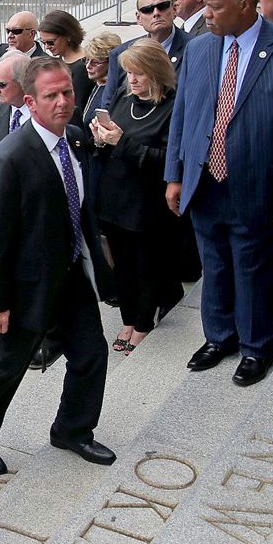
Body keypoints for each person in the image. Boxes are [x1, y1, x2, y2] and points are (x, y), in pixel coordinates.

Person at [0, 56, 116, 475]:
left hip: (69, 275)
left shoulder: (78, 140)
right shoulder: (9, 159)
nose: (63, 102)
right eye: (52, 96)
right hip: (25, 286)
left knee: (91, 352)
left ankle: (72, 429)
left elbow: (81, 210)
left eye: (67, 92)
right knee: (8, 366)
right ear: (30, 102)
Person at [164, 0, 273, 387]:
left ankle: (257, 346)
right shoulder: (200, 49)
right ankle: (219, 337)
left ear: (246, 5)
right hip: (204, 181)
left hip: (257, 184)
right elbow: (183, 116)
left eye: (215, 7)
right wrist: (174, 174)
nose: (206, 13)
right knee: (213, 263)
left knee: (252, 266)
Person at [90, 39, 180, 355]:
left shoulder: (172, 106)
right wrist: (100, 139)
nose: (132, 80)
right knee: (122, 265)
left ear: (156, 73)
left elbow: (169, 159)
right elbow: (110, 145)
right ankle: (128, 319)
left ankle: (143, 324)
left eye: (139, 74)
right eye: (128, 73)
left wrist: (122, 142)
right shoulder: (122, 99)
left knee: (145, 266)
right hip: (114, 195)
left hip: (147, 201)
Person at [38, 10, 92, 122]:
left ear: (68, 36)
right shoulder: (59, 61)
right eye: (44, 43)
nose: (47, 47)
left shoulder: (83, 67)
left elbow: (77, 107)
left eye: (51, 42)